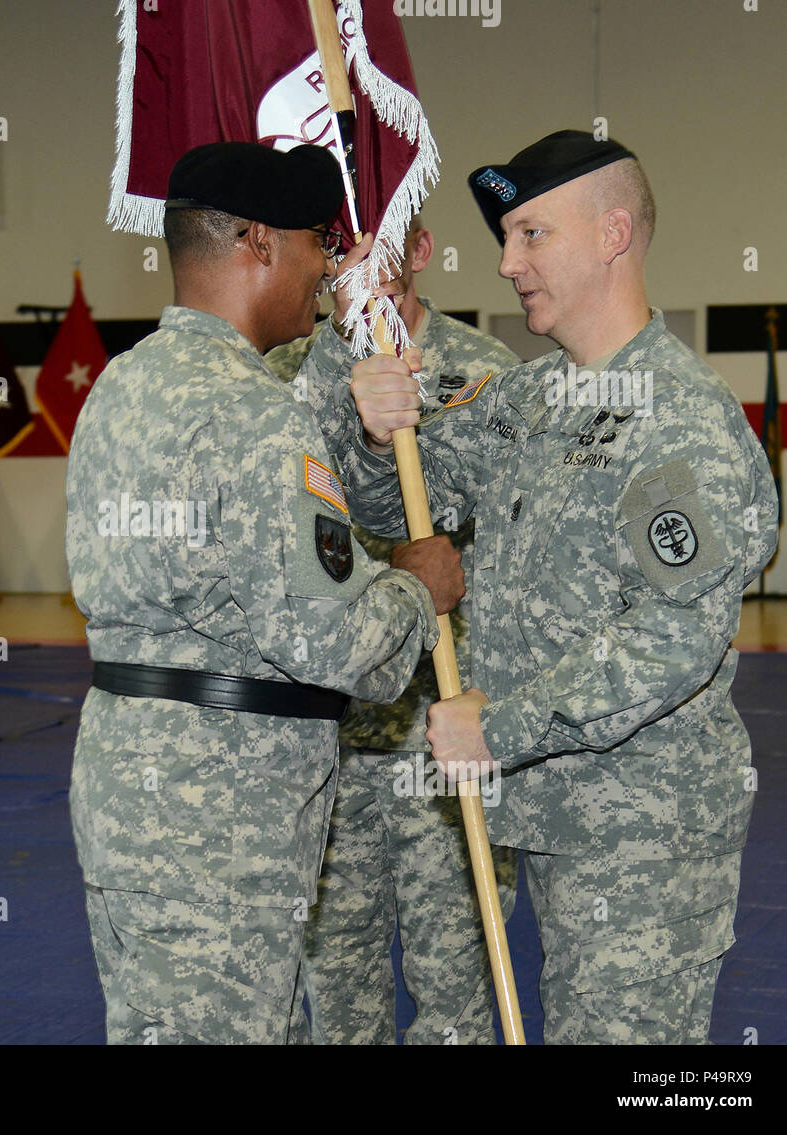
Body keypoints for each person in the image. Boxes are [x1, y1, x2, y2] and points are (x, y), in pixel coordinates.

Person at [319, 131, 777, 1043]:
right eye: (507, 238)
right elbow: (401, 494)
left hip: (645, 842)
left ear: (613, 233)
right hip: (561, 820)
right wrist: (377, 424)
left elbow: (671, 639)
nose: (505, 262)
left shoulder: (681, 419)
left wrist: (500, 726)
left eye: (532, 234)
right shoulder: (535, 399)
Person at [65, 141, 464, 1045]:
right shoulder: (250, 413)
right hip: (224, 813)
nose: (327, 266)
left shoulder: (120, 388)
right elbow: (330, 639)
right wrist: (415, 586)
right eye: (315, 242)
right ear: (256, 243)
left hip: (132, 784)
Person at [276, 214, 522, 1044]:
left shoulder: (490, 377)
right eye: (339, 248)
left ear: (421, 249)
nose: (358, 268)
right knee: (337, 991)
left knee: (456, 992)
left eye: (379, 247)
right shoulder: (288, 379)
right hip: (329, 745)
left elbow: (525, 563)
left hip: (443, 742)